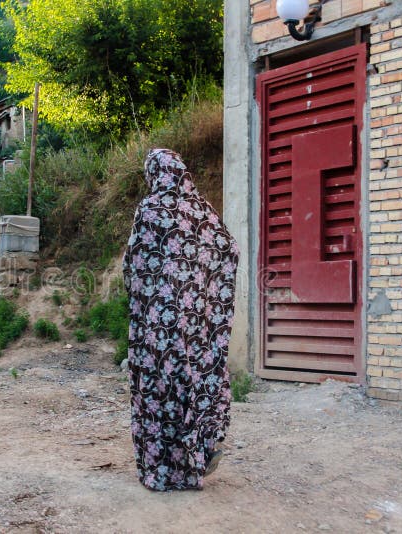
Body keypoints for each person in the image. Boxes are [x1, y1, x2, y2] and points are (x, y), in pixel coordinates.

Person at [122, 148, 239, 491]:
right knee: (193, 381)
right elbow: (229, 248)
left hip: (159, 323)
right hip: (197, 322)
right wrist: (206, 291)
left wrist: (143, 296)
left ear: (154, 173)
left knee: (159, 390)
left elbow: (134, 261)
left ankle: (160, 472)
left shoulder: (150, 208)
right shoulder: (203, 210)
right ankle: (196, 458)